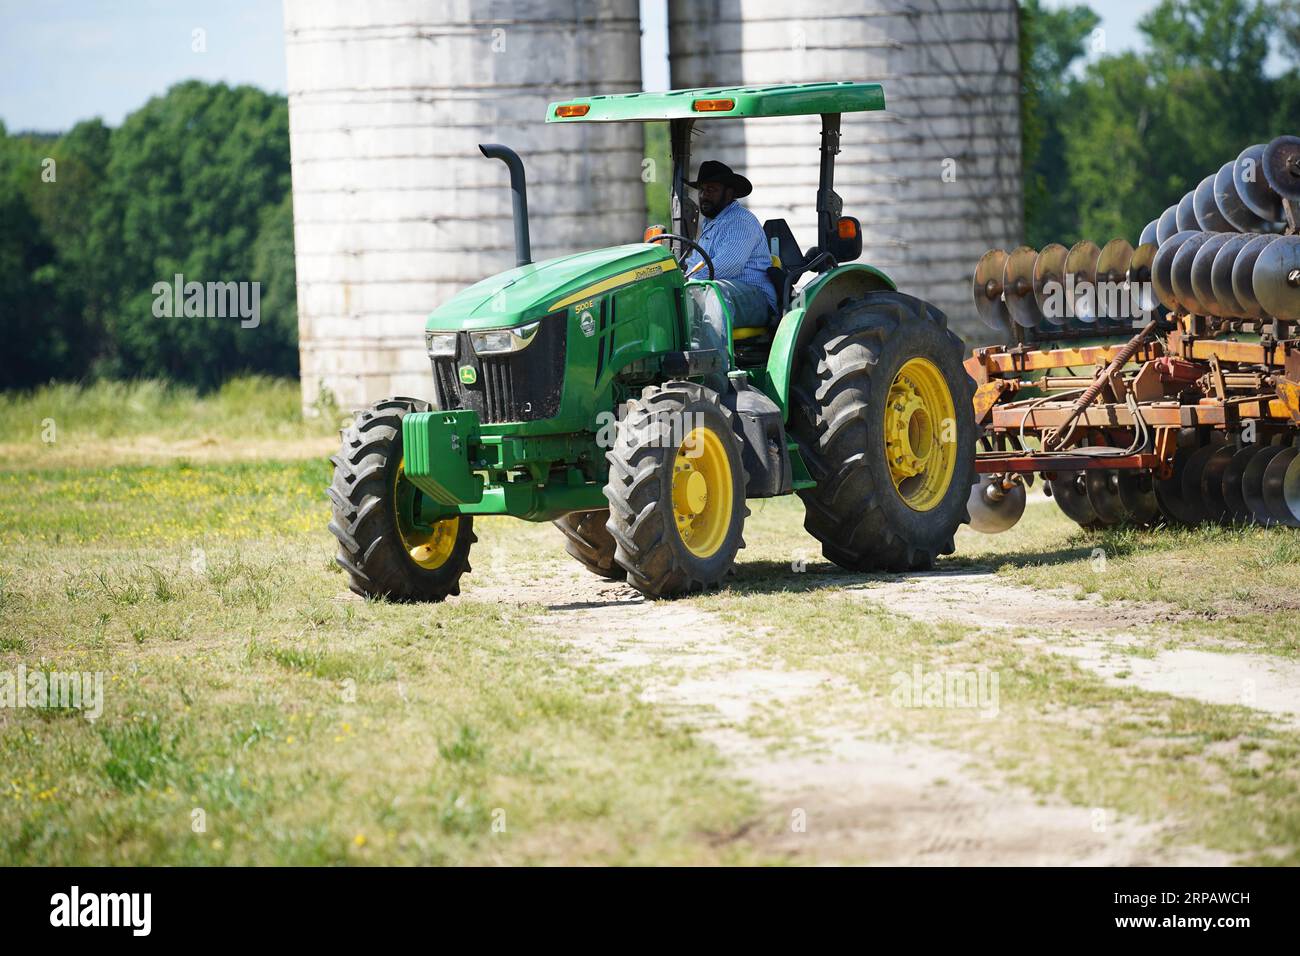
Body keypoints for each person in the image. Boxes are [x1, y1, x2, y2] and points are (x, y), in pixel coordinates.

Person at [682, 160, 778, 323]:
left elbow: (728, 265)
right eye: (702, 190)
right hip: (728, 293)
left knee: (714, 294)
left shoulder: (740, 220)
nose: (704, 195)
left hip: (756, 299)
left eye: (711, 190)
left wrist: (688, 279)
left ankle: (714, 349)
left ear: (729, 193)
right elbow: (697, 262)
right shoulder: (710, 224)